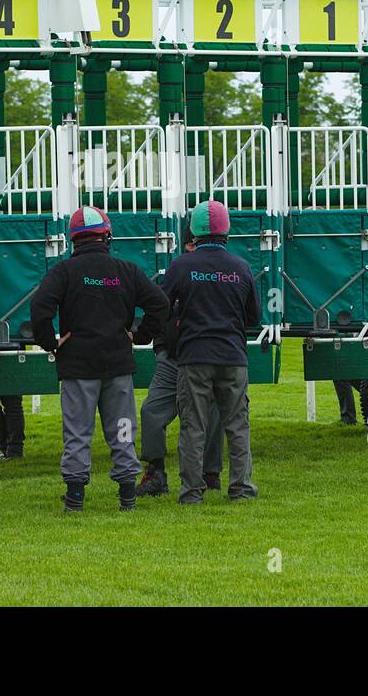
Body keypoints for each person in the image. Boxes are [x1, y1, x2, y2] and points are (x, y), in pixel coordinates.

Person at [30, 206, 168, 513]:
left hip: (77, 367)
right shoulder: (127, 270)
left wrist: (50, 343)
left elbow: (40, 309)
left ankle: (75, 500)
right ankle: (127, 498)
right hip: (117, 365)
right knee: (122, 429)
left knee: (78, 432)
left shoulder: (62, 272)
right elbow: (159, 303)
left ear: (73, 240)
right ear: (107, 235)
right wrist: (140, 335)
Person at [163, 199, 262, 504]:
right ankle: (242, 489)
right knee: (237, 426)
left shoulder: (181, 266)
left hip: (194, 357)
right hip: (233, 357)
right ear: (226, 230)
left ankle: (192, 492)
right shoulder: (241, 267)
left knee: (194, 425)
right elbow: (254, 318)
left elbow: (163, 308)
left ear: (194, 231)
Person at [137, 224, 223, 496]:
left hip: (202, 357)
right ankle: (155, 473)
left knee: (211, 416)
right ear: (189, 245)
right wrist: (161, 346)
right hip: (174, 359)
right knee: (151, 412)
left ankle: (209, 475)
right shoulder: (180, 270)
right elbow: (160, 306)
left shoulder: (214, 271)